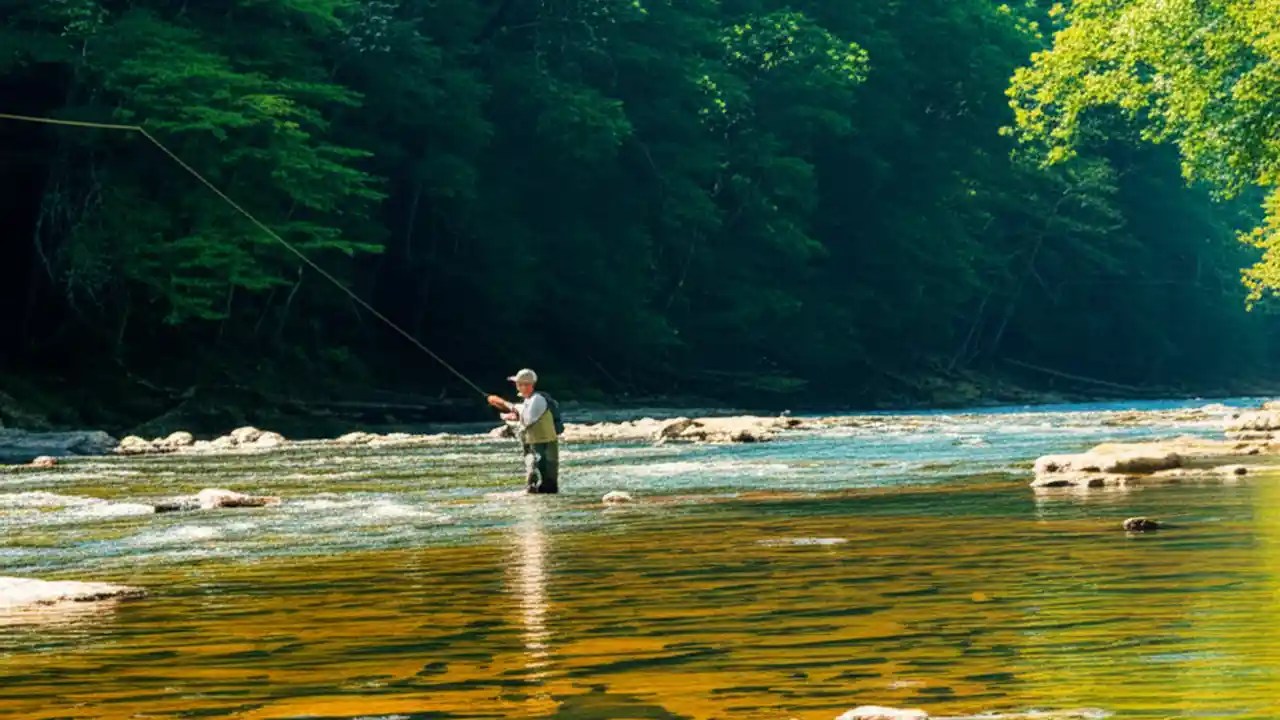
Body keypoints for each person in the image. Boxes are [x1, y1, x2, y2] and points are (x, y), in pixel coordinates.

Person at [488, 369, 560, 494]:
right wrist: (503, 405)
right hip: (535, 445)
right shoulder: (530, 400)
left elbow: (527, 420)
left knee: (546, 486)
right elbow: (522, 412)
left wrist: (507, 411)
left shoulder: (537, 399)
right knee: (534, 485)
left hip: (544, 447)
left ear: (526, 385)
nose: (517, 387)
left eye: (518, 384)